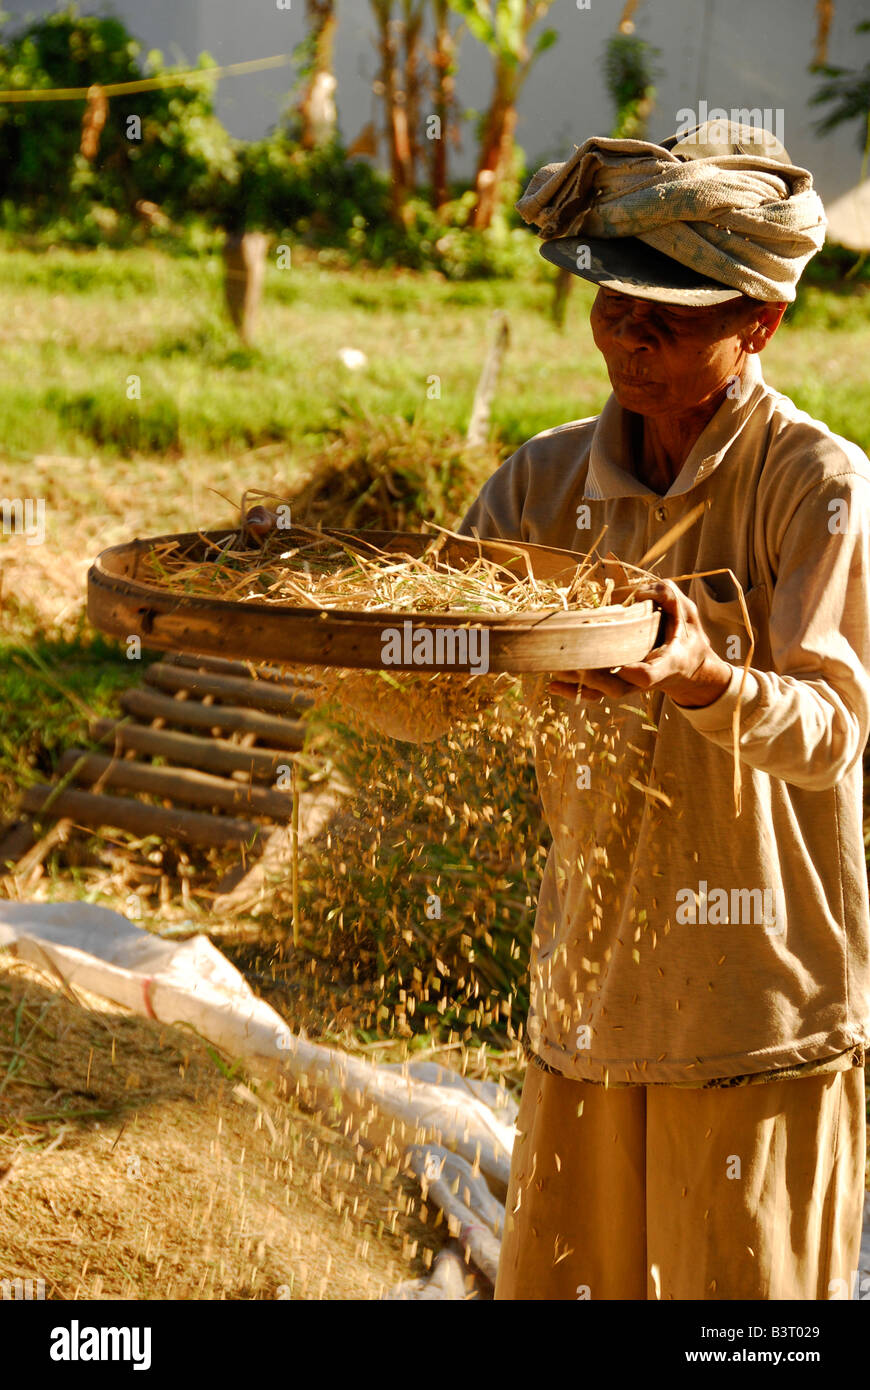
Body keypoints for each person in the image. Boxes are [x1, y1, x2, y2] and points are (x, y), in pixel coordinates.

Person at [454, 121, 870, 1300]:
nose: (630, 337)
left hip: (753, 1005)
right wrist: (322, 638)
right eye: (613, 308)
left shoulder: (816, 486)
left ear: (761, 325)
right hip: (589, 994)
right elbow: (435, 670)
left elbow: (835, 730)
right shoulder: (541, 484)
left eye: (670, 316)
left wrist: (704, 677)